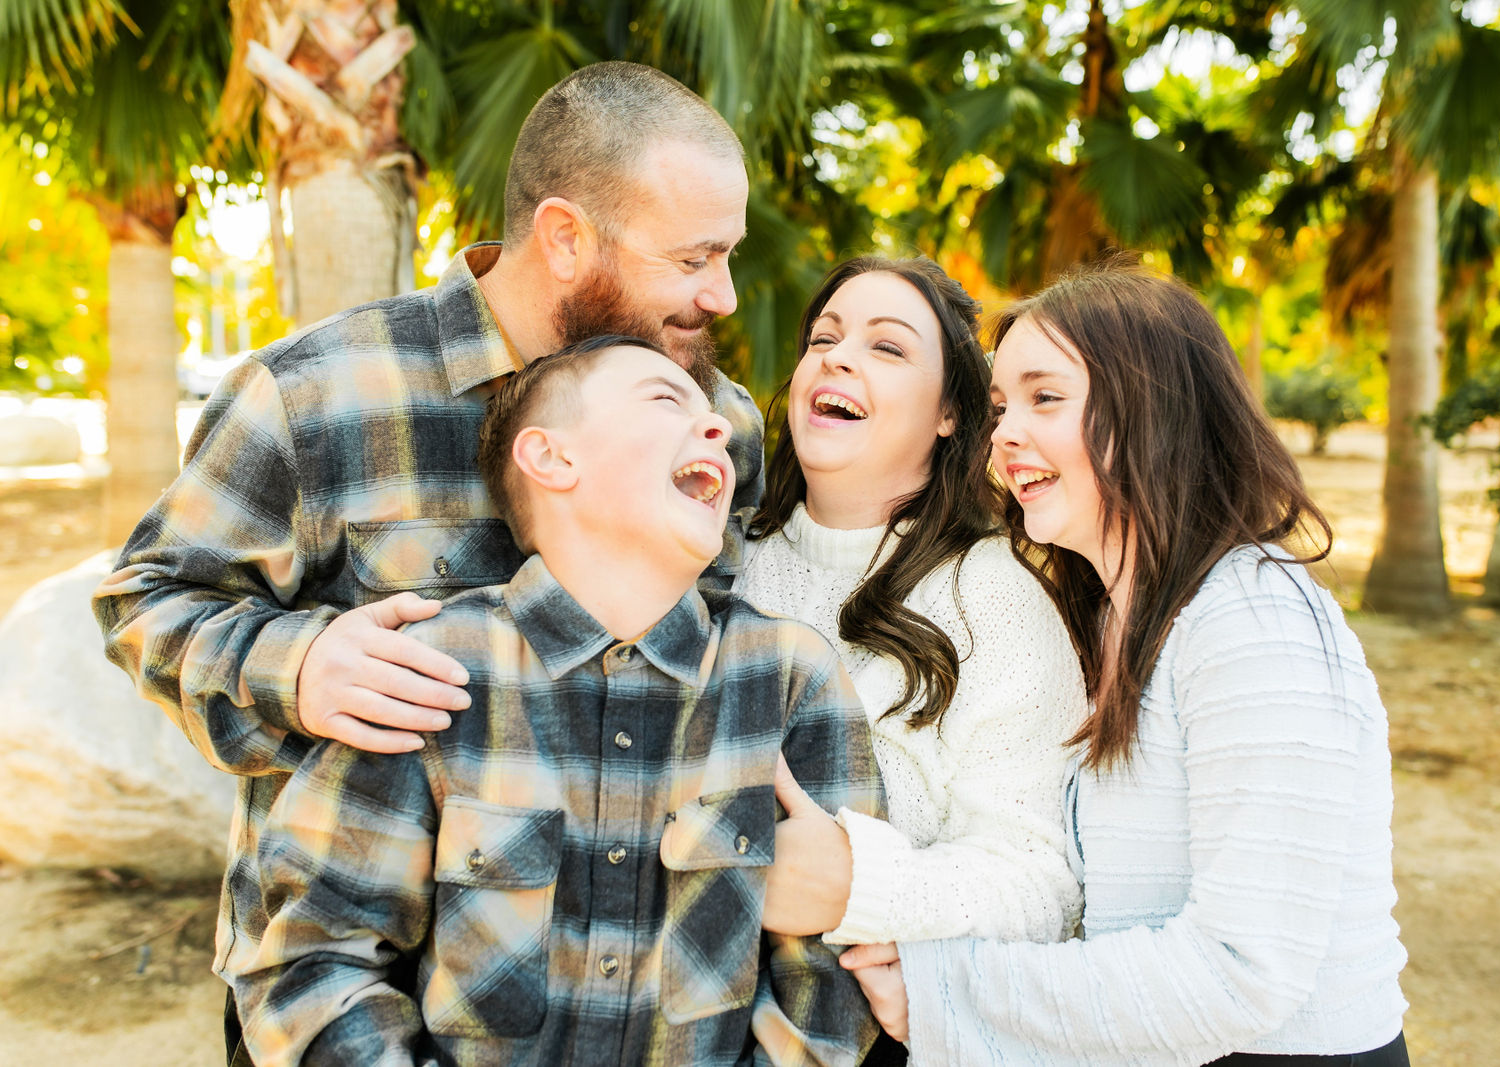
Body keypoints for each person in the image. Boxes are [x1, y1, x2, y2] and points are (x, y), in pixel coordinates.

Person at [89, 61, 763, 1062]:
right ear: (567, 237)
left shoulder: (720, 427)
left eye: (728, 254)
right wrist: (298, 665)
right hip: (331, 998)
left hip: (602, 1013)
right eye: (694, 258)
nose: (723, 294)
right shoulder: (313, 395)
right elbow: (143, 600)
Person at [233, 336, 884, 1066]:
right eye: (667, 400)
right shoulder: (431, 670)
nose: (719, 430)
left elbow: (828, 994)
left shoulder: (791, 680)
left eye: (717, 420)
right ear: (550, 458)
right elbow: (316, 960)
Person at [840, 257, 1410, 1066]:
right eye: (1001, 406)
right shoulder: (1113, 612)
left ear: (1155, 410)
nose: (1002, 434)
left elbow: (1245, 971)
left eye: (1046, 397)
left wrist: (943, 987)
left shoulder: (1254, 620)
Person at [735, 257, 1088, 1063]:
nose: (837, 356)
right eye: (823, 337)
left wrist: (861, 884)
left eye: (887, 348)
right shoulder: (716, 553)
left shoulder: (993, 596)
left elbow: (1043, 881)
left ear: (952, 414)